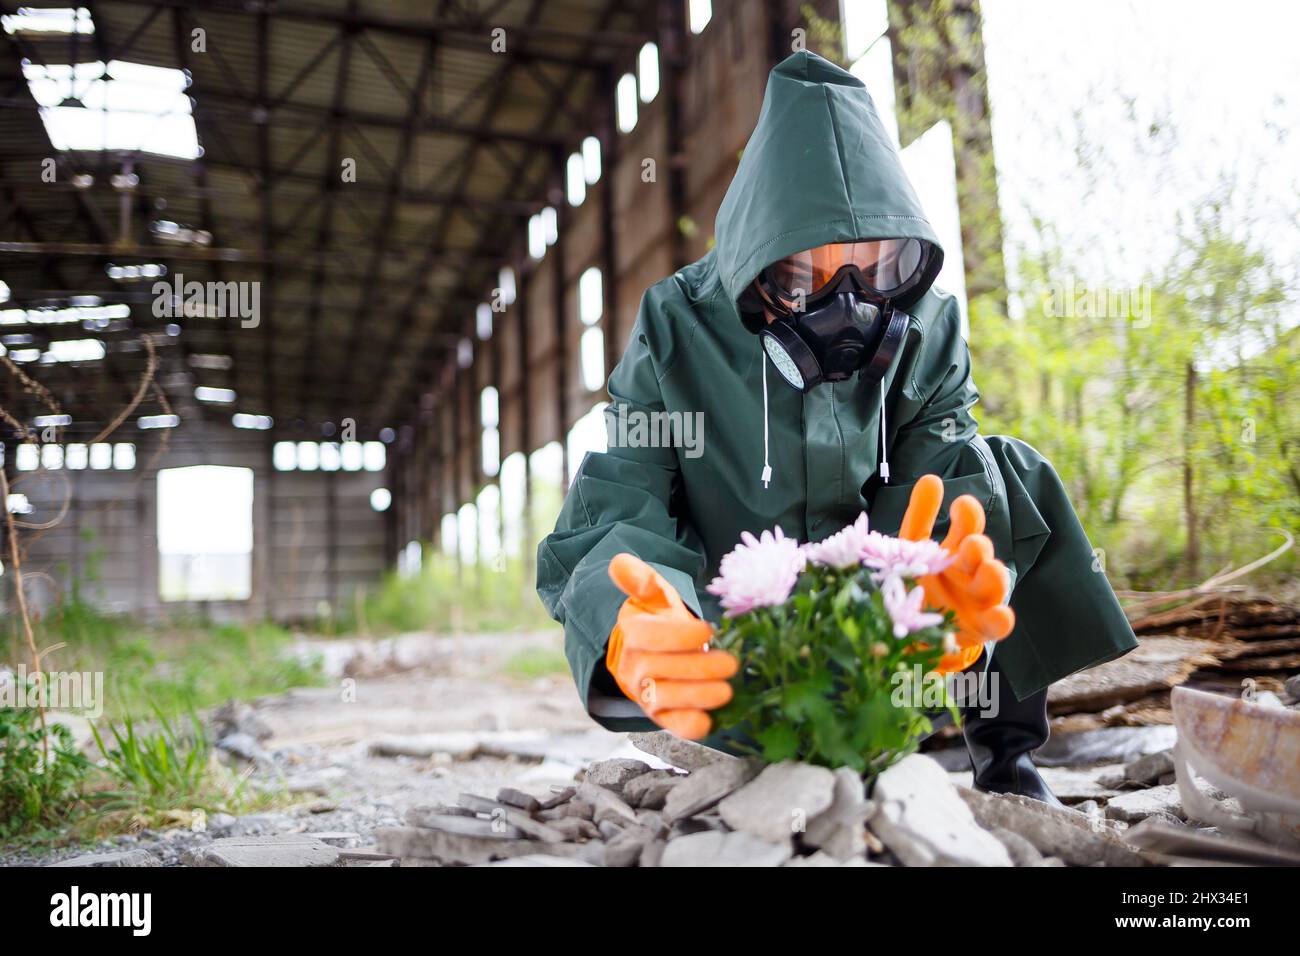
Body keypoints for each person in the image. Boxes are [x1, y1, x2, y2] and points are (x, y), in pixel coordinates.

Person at [536, 50, 1136, 805]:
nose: (849, 302)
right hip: (732, 622)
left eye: (875, 266)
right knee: (754, 734)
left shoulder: (928, 325)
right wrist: (627, 616)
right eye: (807, 272)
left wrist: (951, 570)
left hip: (882, 612)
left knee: (1002, 471)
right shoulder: (676, 324)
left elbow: (946, 464)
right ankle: (743, 737)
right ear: (759, 259)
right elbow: (621, 491)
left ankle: (1006, 758)